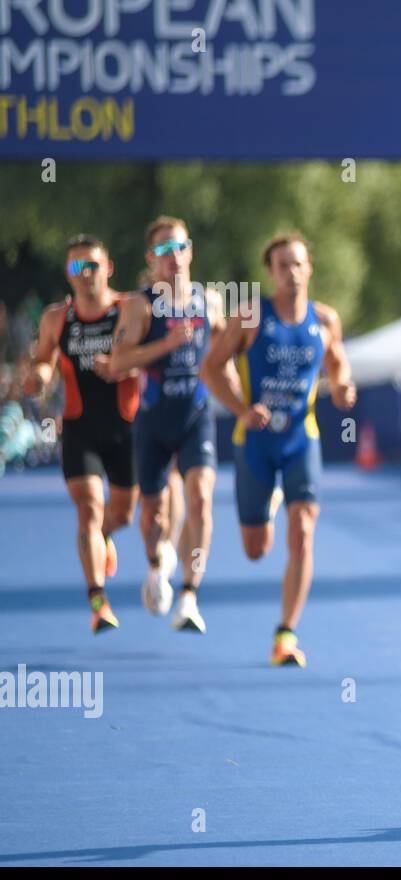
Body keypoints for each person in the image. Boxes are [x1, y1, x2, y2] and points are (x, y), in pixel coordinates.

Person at [201, 233, 357, 666]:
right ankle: (268, 503)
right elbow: (211, 367)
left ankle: (286, 633)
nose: (291, 273)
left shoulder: (325, 320)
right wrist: (240, 409)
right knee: (256, 549)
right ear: (270, 273)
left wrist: (342, 386)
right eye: (282, 265)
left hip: (300, 441)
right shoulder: (251, 316)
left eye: (298, 264)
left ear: (309, 269)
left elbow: (338, 361)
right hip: (254, 442)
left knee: (303, 533)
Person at [109, 216, 227, 632]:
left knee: (201, 502)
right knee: (153, 517)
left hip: (196, 418)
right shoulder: (140, 306)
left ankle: (191, 596)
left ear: (190, 251)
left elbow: (227, 352)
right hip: (153, 422)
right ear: (151, 259)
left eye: (179, 247)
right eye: (162, 251)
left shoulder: (210, 301)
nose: (173, 257)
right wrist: (165, 344)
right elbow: (119, 361)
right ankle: (157, 565)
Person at [24, 235, 140, 632]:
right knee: (89, 507)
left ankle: (104, 536)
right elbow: (43, 362)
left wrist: (128, 365)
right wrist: (37, 377)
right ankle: (98, 599)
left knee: (121, 512)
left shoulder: (130, 309)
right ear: (68, 274)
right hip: (80, 427)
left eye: (92, 265)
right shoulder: (58, 318)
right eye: (77, 267)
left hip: (126, 428)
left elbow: (147, 355)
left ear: (108, 268)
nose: (85, 273)